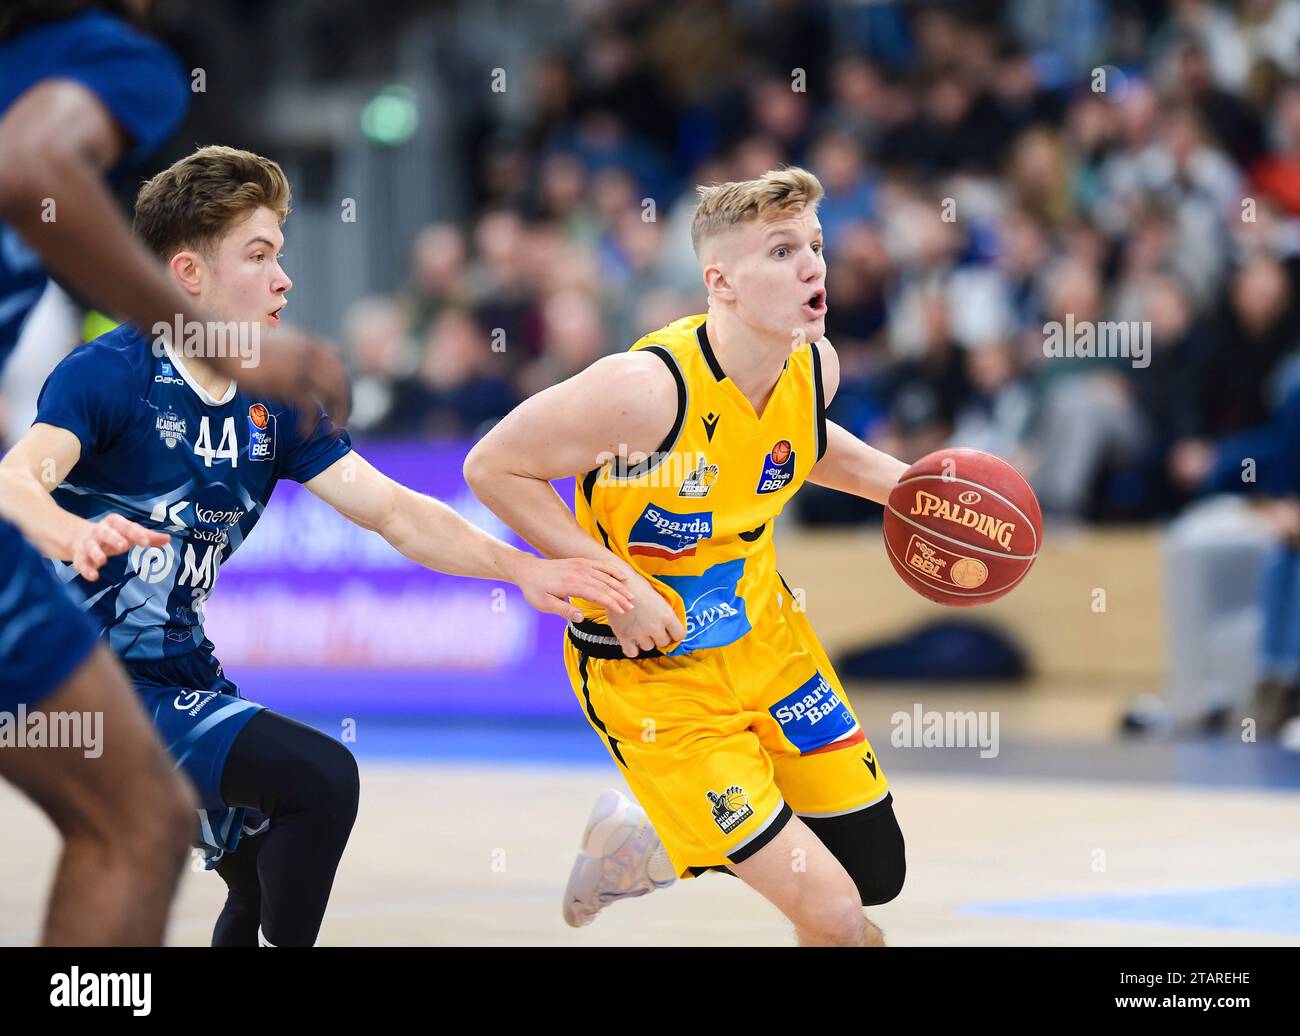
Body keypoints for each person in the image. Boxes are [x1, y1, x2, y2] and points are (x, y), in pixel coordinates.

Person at [0, 144, 635, 946]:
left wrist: (523, 567)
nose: (284, 279)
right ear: (189, 275)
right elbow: (15, 480)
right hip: (79, 684)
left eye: (281, 255)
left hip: (178, 673)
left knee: (269, 861)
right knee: (320, 779)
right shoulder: (109, 373)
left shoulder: (276, 398)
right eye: (259, 256)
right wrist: (70, 529)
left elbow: (394, 512)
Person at [465, 168, 909, 946]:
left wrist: (905, 489)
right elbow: (492, 468)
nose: (812, 265)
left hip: (770, 645)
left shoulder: (816, 367)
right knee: (838, 918)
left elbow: (795, 444)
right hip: (656, 681)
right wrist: (616, 582)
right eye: (781, 251)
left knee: (877, 872)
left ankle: (653, 839)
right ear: (721, 282)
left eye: (814, 244)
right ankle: (675, 813)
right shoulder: (644, 392)